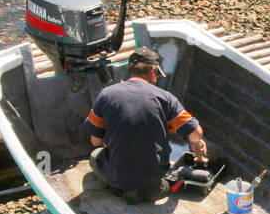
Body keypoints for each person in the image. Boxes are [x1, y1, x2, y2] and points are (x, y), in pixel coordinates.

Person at [82, 48, 208, 203]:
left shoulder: (106, 95)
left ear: (131, 70)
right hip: (152, 179)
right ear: (153, 70)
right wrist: (196, 143)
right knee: (150, 175)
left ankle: (121, 189)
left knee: (95, 157)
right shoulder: (166, 98)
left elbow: (95, 141)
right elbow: (195, 132)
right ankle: (148, 190)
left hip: (117, 177)